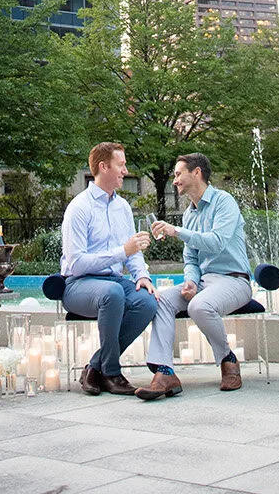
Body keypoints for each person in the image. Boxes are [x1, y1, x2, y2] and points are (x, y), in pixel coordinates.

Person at [136, 152, 256, 397]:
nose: (175, 181)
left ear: (197, 172)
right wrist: (190, 280)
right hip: (204, 282)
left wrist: (176, 231)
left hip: (234, 280)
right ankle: (165, 372)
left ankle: (228, 359)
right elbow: (191, 258)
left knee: (199, 306)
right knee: (161, 300)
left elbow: (217, 242)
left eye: (178, 174)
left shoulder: (224, 202)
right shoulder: (190, 214)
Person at [60, 141, 156, 396]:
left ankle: (94, 367)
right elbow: (77, 263)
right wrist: (121, 252)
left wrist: (142, 275)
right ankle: (112, 372)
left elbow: (133, 251)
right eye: (121, 165)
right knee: (111, 294)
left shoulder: (122, 207)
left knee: (147, 302)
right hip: (78, 285)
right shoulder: (79, 208)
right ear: (103, 167)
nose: (125, 170)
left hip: (113, 282)